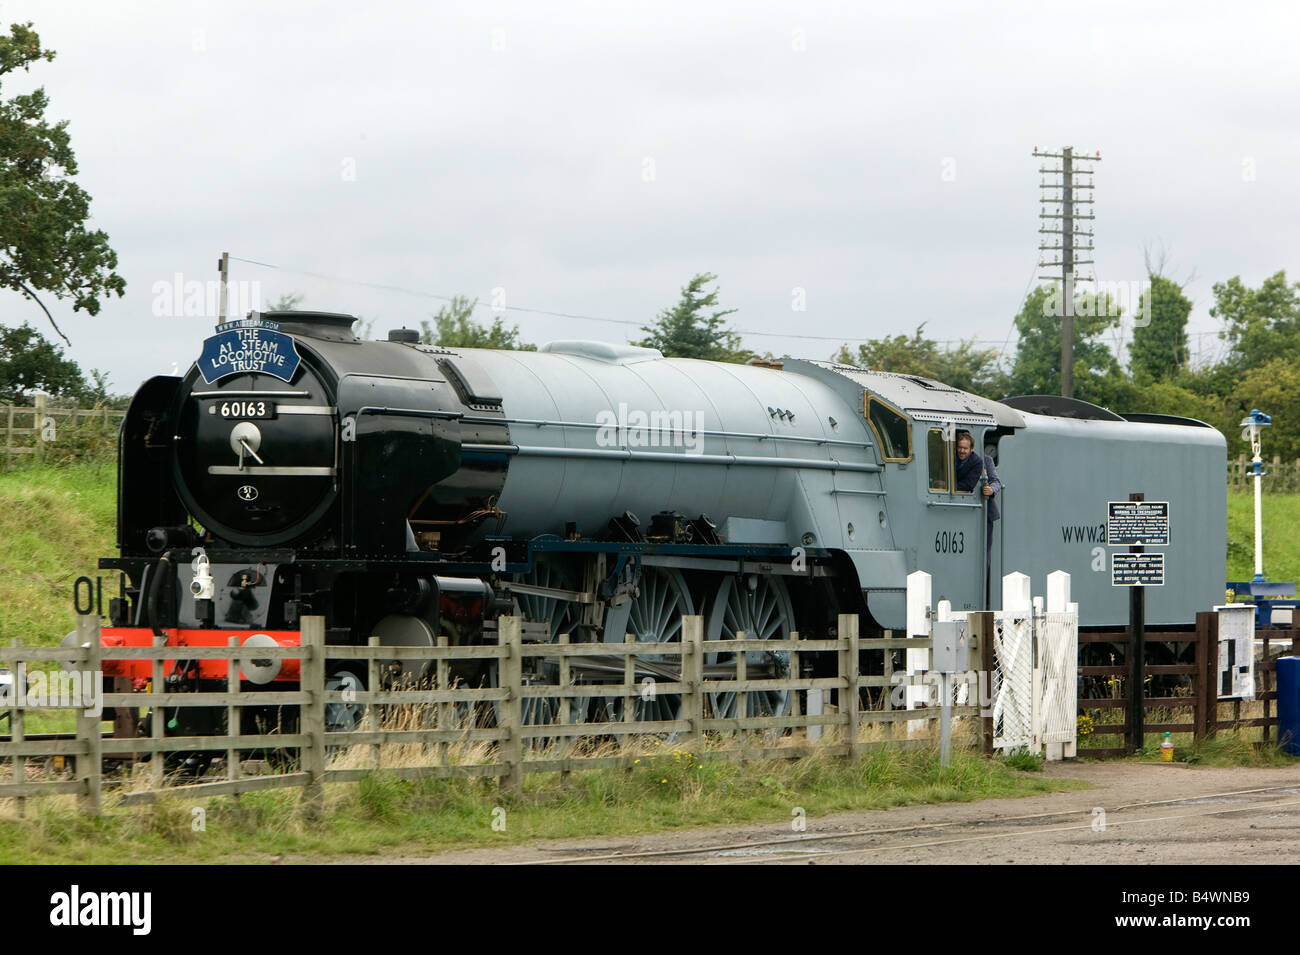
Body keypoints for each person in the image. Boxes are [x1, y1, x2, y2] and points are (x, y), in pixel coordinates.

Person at [954, 431, 1000, 559]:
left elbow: (996, 481)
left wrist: (991, 490)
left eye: (965, 448)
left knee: (984, 551)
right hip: (963, 507)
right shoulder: (953, 458)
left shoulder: (986, 460)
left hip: (985, 510)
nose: (962, 450)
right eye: (960, 447)